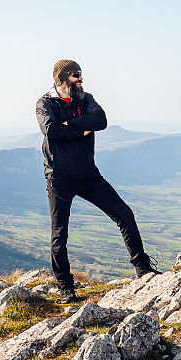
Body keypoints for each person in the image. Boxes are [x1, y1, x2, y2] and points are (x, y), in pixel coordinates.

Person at [36, 59, 159, 303]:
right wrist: (81, 129)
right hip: (59, 177)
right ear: (62, 78)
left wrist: (69, 124)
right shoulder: (45, 103)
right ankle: (65, 288)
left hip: (89, 174)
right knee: (59, 234)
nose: (80, 78)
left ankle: (143, 269)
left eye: (81, 74)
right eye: (75, 75)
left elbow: (101, 121)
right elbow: (50, 129)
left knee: (124, 214)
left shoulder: (85, 98)